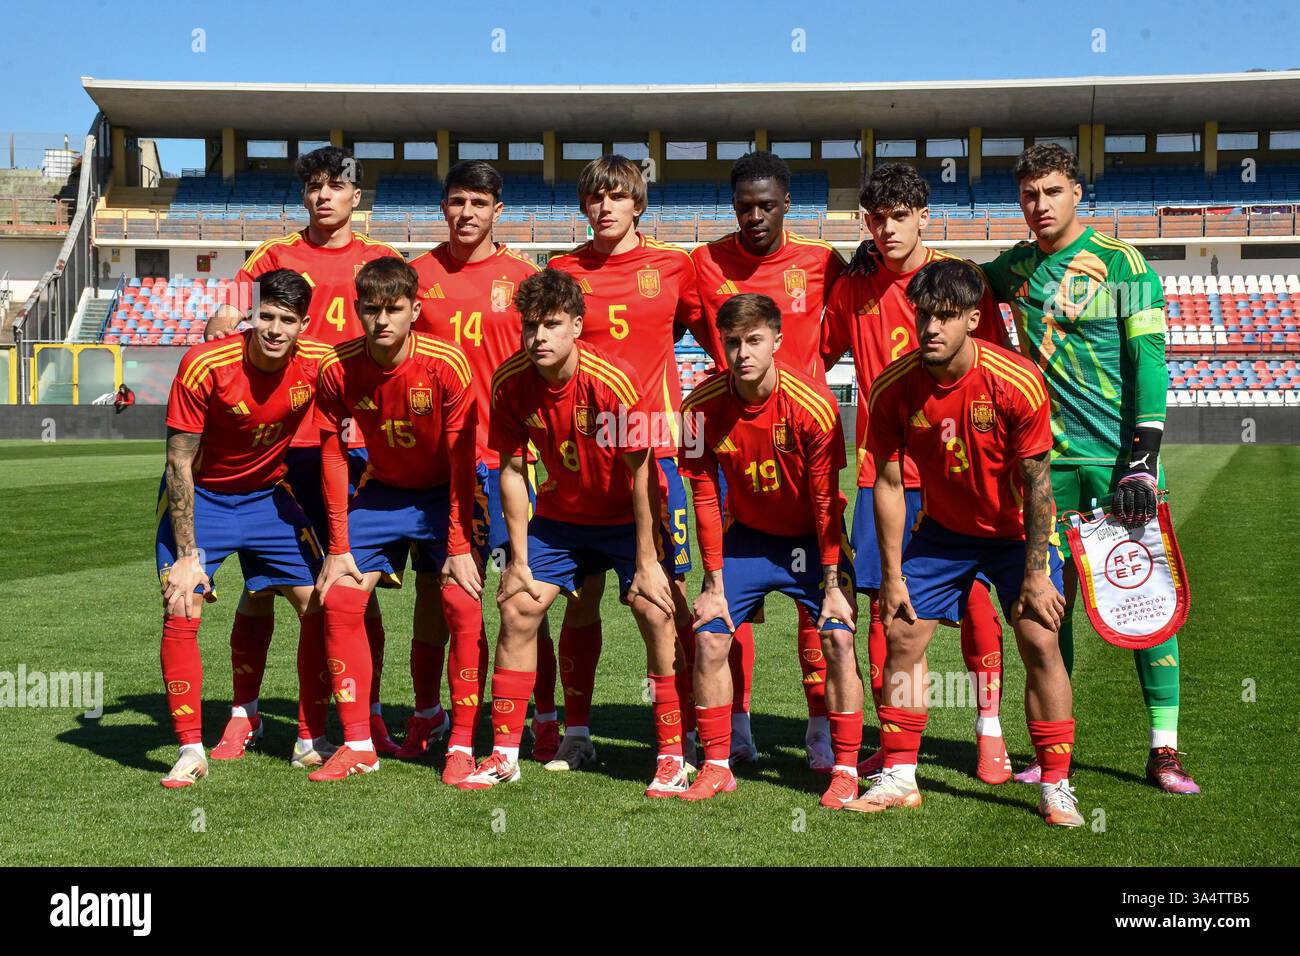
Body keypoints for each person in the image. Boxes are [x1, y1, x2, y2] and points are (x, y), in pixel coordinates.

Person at [978, 145, 1198, 794]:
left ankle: (1163, 751)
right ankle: (1057, 756)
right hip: (1045, 473)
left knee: (1148, 602)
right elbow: (961, 283)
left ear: (1077, 192)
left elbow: (1149, 363)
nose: (1038, 205)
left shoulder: (1123, 266)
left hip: (1116, 469)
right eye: (1027, 194)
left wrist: (1142, 464)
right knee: (1048, 611)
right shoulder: (1016, 268)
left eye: (1050, 191)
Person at [850, 258, 1081, 827]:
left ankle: (1056, 785)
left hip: (1014, 537)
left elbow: (1037, 486)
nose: (931, 327)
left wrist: (1033, 572)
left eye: (945, 317)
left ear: (973, 320)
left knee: (1040, 641)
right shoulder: (893, 387)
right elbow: (885, 481)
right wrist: (894, 574)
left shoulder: (1016, 381)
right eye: (923, 315)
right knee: (900, 637)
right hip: (944, 533)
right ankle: (901, 777)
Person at [204, 146, 407, 761]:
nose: (324, 196)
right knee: (264, 585)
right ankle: (245, 712)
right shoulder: (272, 257)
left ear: (356, 196)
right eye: (314, 186)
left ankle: (360, 717)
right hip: (283, 451)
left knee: (352, 587)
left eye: (335, 186)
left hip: (355, 448)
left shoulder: (383, 261)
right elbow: (224, 316)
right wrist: (224, 321)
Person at [822, 162, 1012, 784]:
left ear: (924, 216)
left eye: (899, 216)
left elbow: (1003, 371)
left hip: (960, 471)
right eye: (876, 219)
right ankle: (896, 740)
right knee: (888, 609)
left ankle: (990, 733)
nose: (886, 230)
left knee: (977, 599)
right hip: (886, 472)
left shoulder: (960, 286)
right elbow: (811, 352)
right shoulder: (854, 288)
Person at [461, 269, 683, 797]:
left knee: (655, 609)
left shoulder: (616, 380)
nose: (539, 337)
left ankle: (675, 753)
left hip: (630, 515)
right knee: (518, 606)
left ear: (578, 326)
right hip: (562, 517)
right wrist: (517, 559)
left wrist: (647, 562)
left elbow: (643, 473)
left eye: (553, 325)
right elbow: (512, 472)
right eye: (531, 326)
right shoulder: (511, 381)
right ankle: (506, 755)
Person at [544, 154, 711, 773]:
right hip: (582, 454)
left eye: (617, 196)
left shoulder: (673, 266)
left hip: (655, 449)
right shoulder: (562, 270)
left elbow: (717, 341)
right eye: (595, 198)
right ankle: (577, 732)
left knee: (662, 597)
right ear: (584, 207)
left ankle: (683, 734)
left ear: (638, 203)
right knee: (578, 599)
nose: (606, 207)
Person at [690, 150, 846, 769]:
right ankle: (738, 727)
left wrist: (801, 382)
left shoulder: (822, 262)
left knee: (819, 601)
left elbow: (836, 333)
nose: (754, 217)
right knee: (733, 595)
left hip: (804, 434)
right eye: (743, 207)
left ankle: (819, 728)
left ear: (787, 205)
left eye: (766, 206)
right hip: (735, 433)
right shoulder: (703, 262)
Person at [678, 294, 861, 805]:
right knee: (710, 636)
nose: (742, 353)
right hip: (749, 539)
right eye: (732, 342)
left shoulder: (814, 407)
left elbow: (826, 502)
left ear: (777, 341)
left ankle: (843, 766)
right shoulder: (699, 407)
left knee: (839, 638)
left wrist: (830, 585)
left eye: (754, 340)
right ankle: (718, 764)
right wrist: (713, 583)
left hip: (812, 538)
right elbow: (705, 496)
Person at [155, 269, 329, 787]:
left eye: (288, 320)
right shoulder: (205, 363)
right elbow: (178, 463)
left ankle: (309, 737)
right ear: (251, 316)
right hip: (203, 499)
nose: (275, 330)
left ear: (304, 324)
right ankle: (190, 749)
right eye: (267, 317)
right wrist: (188, 555)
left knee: (319, 602)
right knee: (182, 601)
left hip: (268, 501)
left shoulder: (318, 364)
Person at [309, 256, 479, 782]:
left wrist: (457, 545)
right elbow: (334, 455)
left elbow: (460, 463)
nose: (382, 320)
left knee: (456, 597)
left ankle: (460, 741)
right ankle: (359, 743)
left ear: (415, 310)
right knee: (338, 596)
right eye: (372, 309)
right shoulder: (337, 366)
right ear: (357, 309)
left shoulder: (447, 364)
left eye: (395, 309)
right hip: (382, 493)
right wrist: (338, 545)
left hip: (444, 495)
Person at [407, 160, 551, 780]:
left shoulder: (525, 280)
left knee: (523, 592)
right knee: (436, 594)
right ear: (444, 206)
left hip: (509, 461)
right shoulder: (416, 277)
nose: (466, 213)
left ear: (498, 211)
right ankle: (429, 713)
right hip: (438, 465)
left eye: (479, 203)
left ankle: (542, 718)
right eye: (456, 201)